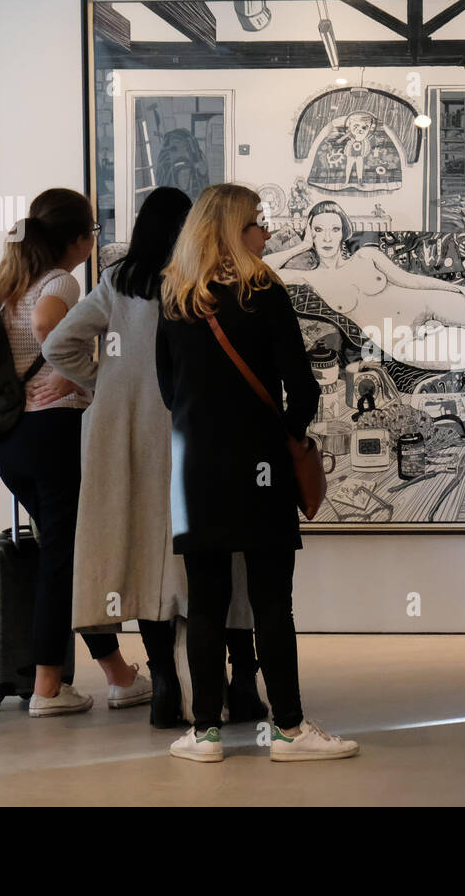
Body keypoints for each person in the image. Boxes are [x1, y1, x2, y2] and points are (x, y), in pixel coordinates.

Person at [42, 187, 267, 728]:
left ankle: (164, 681)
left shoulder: (116, 283)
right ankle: (238, 681)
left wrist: (108, 381)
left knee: (142, 556)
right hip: (191, 430)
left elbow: (58, 346)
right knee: (221, 558)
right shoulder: (195, 283)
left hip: (124, 437)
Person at [158, 183, 358, 762]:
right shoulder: (262, 288)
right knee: (272, 599)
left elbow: (169, 388)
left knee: (206, 599)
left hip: (196, 468)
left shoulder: (175, 293)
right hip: (262, 462)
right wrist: (288, 436)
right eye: (258, 223)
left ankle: (205, 733)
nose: (267, 233)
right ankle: (289, 730)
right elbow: (303, 382)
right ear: (232, 229)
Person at [0, 188, 150, 717]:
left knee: (68, 559)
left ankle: (118, 676)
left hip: (13, 442)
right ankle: (47, 688)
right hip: (53, 436)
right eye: (92, 235)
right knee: (63, 563)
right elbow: (47, 329)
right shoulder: (60, 280)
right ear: (79, 238)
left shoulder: (15, 279)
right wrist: (78, 374)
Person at [263, 200, 465, 369]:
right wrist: (301, 245)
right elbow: (260, 270)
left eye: (334, 229)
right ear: (310, 231)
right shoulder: (310, 278)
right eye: (318, 229)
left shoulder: (366, 255)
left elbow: (410, 280)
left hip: (426, 303)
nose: (327, 237)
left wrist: (458, 289)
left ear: (344, 231)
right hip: (403, 342)